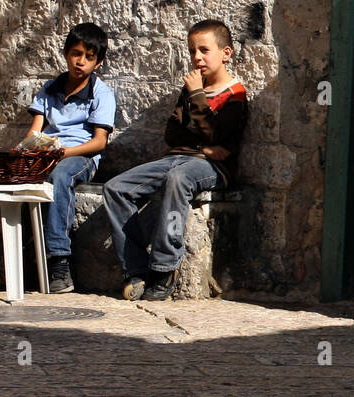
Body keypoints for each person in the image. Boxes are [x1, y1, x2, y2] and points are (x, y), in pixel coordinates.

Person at [102, 19, 248, 301]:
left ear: (226, 53)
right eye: (192, 51)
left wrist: (197, 98)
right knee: (116, 188)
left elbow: (217, 134)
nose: (197, 57)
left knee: (177, 179)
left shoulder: (235, 94)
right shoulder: (190, 89)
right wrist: (204, 145)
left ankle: (164, 267)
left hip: (213, 168)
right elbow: (173, 133)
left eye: (204, 50)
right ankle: (135, 270)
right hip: (184, 157)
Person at [25, 22, 116, 293]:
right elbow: (35, 129)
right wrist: (32, 148)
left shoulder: (101, 94)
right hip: (48, 153)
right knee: (4, 173)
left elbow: (99, 141)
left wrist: (63, 153)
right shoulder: (50, 89)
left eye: (89, 57)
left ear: (98, 63)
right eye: (76, 54)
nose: (81, 62)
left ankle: (59, 262)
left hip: (80, 156)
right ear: (66, 53)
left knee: (60, 175)